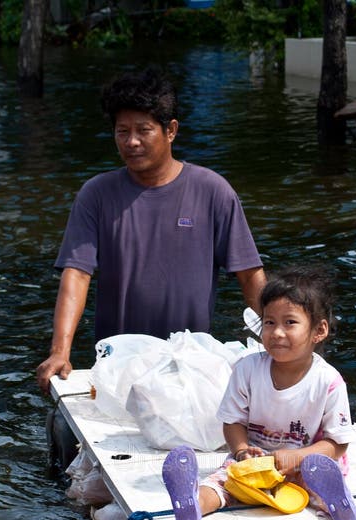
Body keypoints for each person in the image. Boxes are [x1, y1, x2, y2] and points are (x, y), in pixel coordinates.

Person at [36, 66, 265, 397]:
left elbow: (250, 276)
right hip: (117, 366)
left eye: (143, 130)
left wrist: (280, 345)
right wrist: (60, 351)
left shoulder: (213, 191)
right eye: (122, 131)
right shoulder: (96, 195)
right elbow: (76, 275)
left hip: (190, 367)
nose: (132, 142)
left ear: (170, 130)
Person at [161, 267, 356, 520]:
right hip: (255, 461)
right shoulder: (246, 370)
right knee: (223, 481)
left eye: (289, 322)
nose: (277, 332)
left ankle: (342, 508)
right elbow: (232, 422)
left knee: (319, 481)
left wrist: (298, 457)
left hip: (307, 462)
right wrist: (242, 450)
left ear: (319, 330)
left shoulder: (328, 381)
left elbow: (337, 443)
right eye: (269, 323)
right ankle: (192, 504)